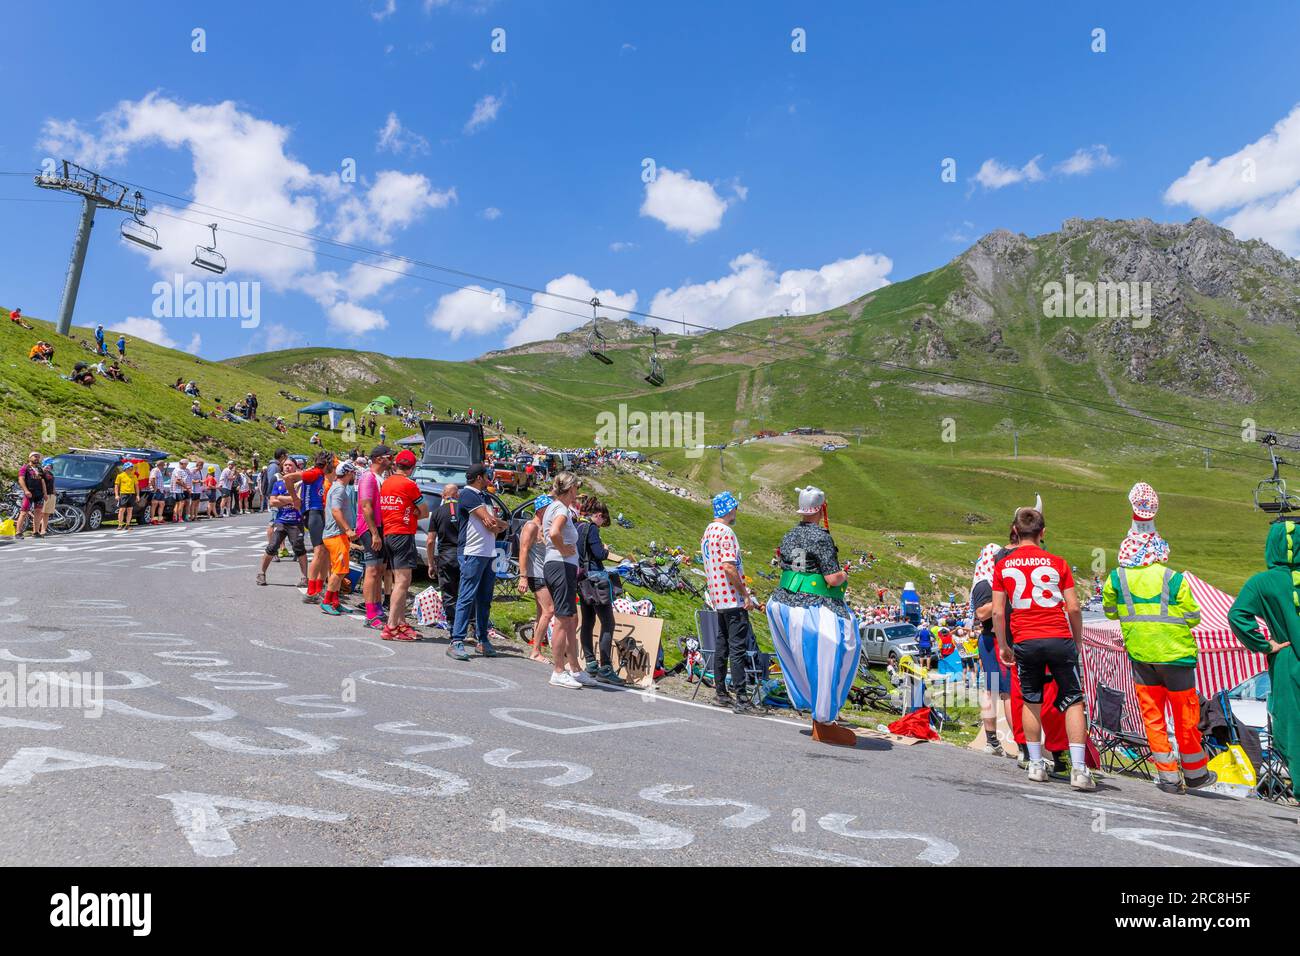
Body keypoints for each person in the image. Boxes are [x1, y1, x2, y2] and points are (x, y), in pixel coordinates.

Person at [1102, 482, 1212, 794]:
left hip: (1140, 656)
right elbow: (1194, 617)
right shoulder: (1172, 578)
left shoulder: (1117, 578)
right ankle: (1195, 773)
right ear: (1158, 548)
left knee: (1153, 716)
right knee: (1186, 715)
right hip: (1175, 656)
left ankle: (1167, 776)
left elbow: (1110, 612)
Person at [992, 507, 1093, 791]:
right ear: (1043, 532)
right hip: (1058, 635)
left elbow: (998, 612)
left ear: (1015, 530)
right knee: (1073, 699)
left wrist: (1003, 645)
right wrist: (1077, 639)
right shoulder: (1058, 562)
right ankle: (1079, 769)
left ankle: (1035, 763)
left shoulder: (1003, 565)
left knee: (1031, 699)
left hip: (1025, 638)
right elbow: (1072, 606)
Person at [766, 486, 861, 745]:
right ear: (821, 509)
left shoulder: (789, 534)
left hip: (782, 601)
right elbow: (831, 577)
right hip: (813, 605)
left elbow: (795, 566)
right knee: (843, 644)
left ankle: (817, 707)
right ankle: (825, 715)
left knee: (809, 656)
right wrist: (844, 576)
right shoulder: (821, 537)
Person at [1228, 519, 1300, 801]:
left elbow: (1237, 615)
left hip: (1288, 662)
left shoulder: (1263, 583)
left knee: (1294, 730)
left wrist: (1265, 644)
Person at [702, 491, 762, 713]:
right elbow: (729, 566)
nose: (736, 512)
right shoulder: (726, 532)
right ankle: (742, 698)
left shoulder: (709, 531)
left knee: (722, 645)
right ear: (729, 509)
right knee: (737, 648)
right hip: (732, 598)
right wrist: (745, 594)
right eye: (735, 507)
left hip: (718, 598)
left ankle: (721, 693)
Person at [448, 463, 508, 660]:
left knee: (485, 599)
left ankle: (482, 639)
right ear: (479, 477)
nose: (489, 477)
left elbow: (500, 524)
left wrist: (495, 523)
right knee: (466, 596)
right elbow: (491, 523)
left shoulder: (485, 497)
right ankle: (457, 640)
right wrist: (494, 523)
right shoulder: (468, 494)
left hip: (489, 552)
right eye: (486, 474)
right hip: (472, 551)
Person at [543, 472, 587, 688]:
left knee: (569, 618)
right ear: (571, 490)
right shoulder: (561, 508)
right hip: (560, 564)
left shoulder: (554, 506)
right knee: (562, 618)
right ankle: (558, 670)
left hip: (560, 565)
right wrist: (562, 548)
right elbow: (553, 533)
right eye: (576, 489)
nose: (577, 494)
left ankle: (574, 668)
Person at [378, 449, 428, 642]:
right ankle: (391, 626)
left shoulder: (387, 482)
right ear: (413, 467)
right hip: (403, 533)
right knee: (403, 582)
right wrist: (413, 512)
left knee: (398, 579)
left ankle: (399, 622)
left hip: (388, 533)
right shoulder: (410, 484)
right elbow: (424, 511)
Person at [575, 497, 625, 686]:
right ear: (599, 515)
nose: (602, 523)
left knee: (587, 621)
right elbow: (598, 553)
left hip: (582, 578)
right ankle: (605, 667)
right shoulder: (592, 528)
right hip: (596, 579)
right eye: (603, 520)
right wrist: (604, 550)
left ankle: (590, 662)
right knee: (608, 622)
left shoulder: (579, 526)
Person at [972, 543, 1015, 757]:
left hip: (996, 639)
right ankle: (1013, 744)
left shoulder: (989, 580)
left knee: (995, 690)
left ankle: (994, 742)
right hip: (995, 640)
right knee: (1004, 692)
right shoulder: (984, 584)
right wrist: (1004, 595)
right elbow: (981, 612)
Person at [286, 452, 332, 605]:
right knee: (319, 551)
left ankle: (318, 588)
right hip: (312, 512)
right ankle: (311, 592)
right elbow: (288, 478)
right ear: (326, 463)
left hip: (317, 512)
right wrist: (294, 499)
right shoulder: (314, 472)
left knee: (325, 551)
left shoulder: (320, 474)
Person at [256, 458, 309, 587]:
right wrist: (291, 499)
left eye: (290, 465)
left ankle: (304, 577)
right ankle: (261, 574)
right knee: (272, 547)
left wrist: (281, 498)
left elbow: (299, 502)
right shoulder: (278, 484)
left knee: (299, 549)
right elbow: (272, 502)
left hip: (296, 521)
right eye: (285, 465)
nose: (287, 467)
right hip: (281, 521)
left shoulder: (302, 484)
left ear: (296, 468)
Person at [355, 445, 391, 631]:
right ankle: (370, 614)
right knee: (372, 571)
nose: (391, 458)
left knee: (379, 569)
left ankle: (377, 608)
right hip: (370, 528)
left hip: (379, 527)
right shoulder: (368, 477)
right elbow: (366, 506)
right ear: (378, 459)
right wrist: (375, 533)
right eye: (388, 456)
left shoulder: (381, 477)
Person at [516, 495, 553, 663]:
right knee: (549, 610)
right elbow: (523, 551)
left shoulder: (544, 527)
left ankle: (536, 648)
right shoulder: (531, 526)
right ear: (540, 509)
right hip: (535, 574)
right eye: (549, 509)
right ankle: (536, 650)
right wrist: (523, 577)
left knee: (542, 613)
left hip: (545, 573)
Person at [320, 461, 359, 616]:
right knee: (339, 571)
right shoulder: (338, 490)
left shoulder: (338, 488)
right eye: (353, 473)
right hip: (336, 535)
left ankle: (335, 602)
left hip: (337, 534)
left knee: (341, 570)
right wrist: (348, 530)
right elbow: (336, 511)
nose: (354, 476)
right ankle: (327, 601)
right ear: (348, 473)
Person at [424, 482, 462, 638]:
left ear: (442, 496)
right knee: (465, 592)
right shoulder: (465, 511)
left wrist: (431, 563)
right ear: (457, 495)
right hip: (464, 555)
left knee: (449, 594)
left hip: (446, 556)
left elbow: (430, 540)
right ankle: (470, 626)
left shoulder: (438, 512)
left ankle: (454, 626)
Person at [15, 452, 45, 539]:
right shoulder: (25, 468)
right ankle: (18, 532)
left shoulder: (39, 469)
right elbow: (21, 479)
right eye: (35, 456)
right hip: (29, 493)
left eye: (38, 457)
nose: (37, 458)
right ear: (29, 457)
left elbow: (42, 481)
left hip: (39, 493)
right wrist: (26, 490)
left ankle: (35, 532)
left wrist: (45, 493)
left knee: (38, 512)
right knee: (24, 512)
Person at [114, 462, 138, 532]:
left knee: (130, 510)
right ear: (126, 468)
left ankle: (127, 525)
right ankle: (120, 524)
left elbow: (136, 486)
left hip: (132, 494)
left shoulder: (134, 476)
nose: (132, 468)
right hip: (124, 494)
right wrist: (116, 495)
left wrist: (138, 495)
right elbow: (116, 486)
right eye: (130, 467)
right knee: (122, 510)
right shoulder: (120, 476)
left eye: (132, 467)